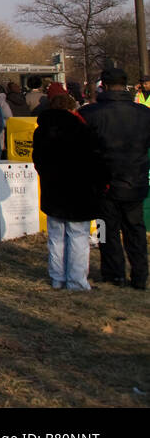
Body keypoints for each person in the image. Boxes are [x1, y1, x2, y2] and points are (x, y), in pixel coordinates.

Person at [80, 68, 150, 290]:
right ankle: (140, 276)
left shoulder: (90, 113)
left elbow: (83, 147)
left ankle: (114, 274)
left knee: (105, 229)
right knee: (135, 229)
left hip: (104, 183)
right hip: (135, 179)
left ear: (105, 86)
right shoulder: (144, 113)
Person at [33, 93, 102, 290]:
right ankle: (77, 280)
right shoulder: (81, 130)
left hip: (52, 189)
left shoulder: (41, 132)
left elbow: (38, 160)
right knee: (78, 237)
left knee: (56, 236)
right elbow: (93, 161)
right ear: (72, 109)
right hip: (78, 191)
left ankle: (57, 278)